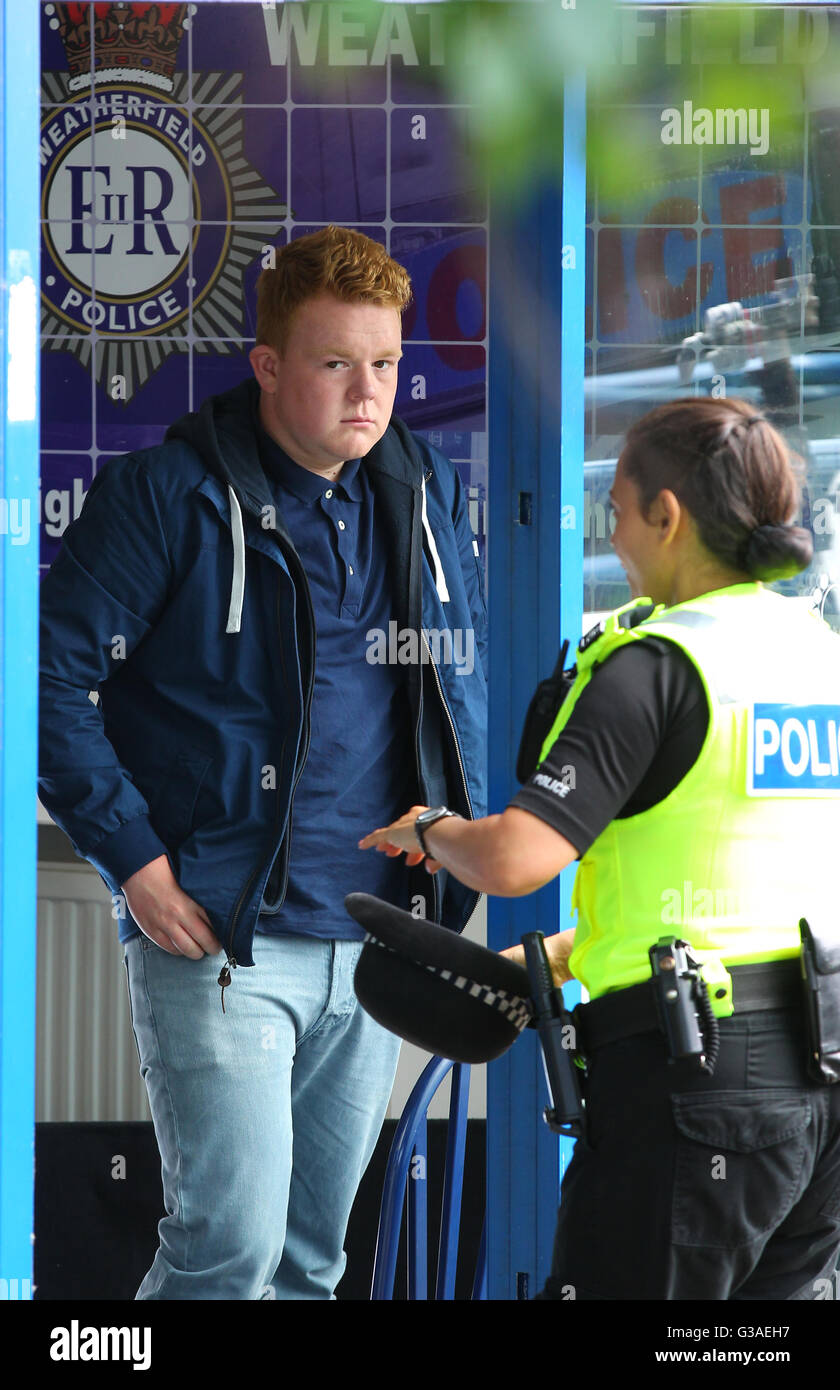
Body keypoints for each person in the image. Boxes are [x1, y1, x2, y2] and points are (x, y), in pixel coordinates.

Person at [37, 225, 488, 1300]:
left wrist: (458, 850)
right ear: (271, 365)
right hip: (228, 935)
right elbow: (42, 684)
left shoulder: (419, 490)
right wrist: (136, 865)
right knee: (227, 1249)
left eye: (385, 364)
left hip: (376, 935)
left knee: (309, 1261)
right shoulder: (165, 496)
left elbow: (453, 688)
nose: (367, 393)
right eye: (336, 364)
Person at [360, 396, 840, 1301]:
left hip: (696, 1091)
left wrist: (428, 827)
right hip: (819, 1083)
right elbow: (750, 877)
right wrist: (560, 953)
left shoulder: (658, 665)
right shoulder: (815, 651)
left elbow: (514, 860)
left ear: (670, 515)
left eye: (618, 511)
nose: (613, 538)